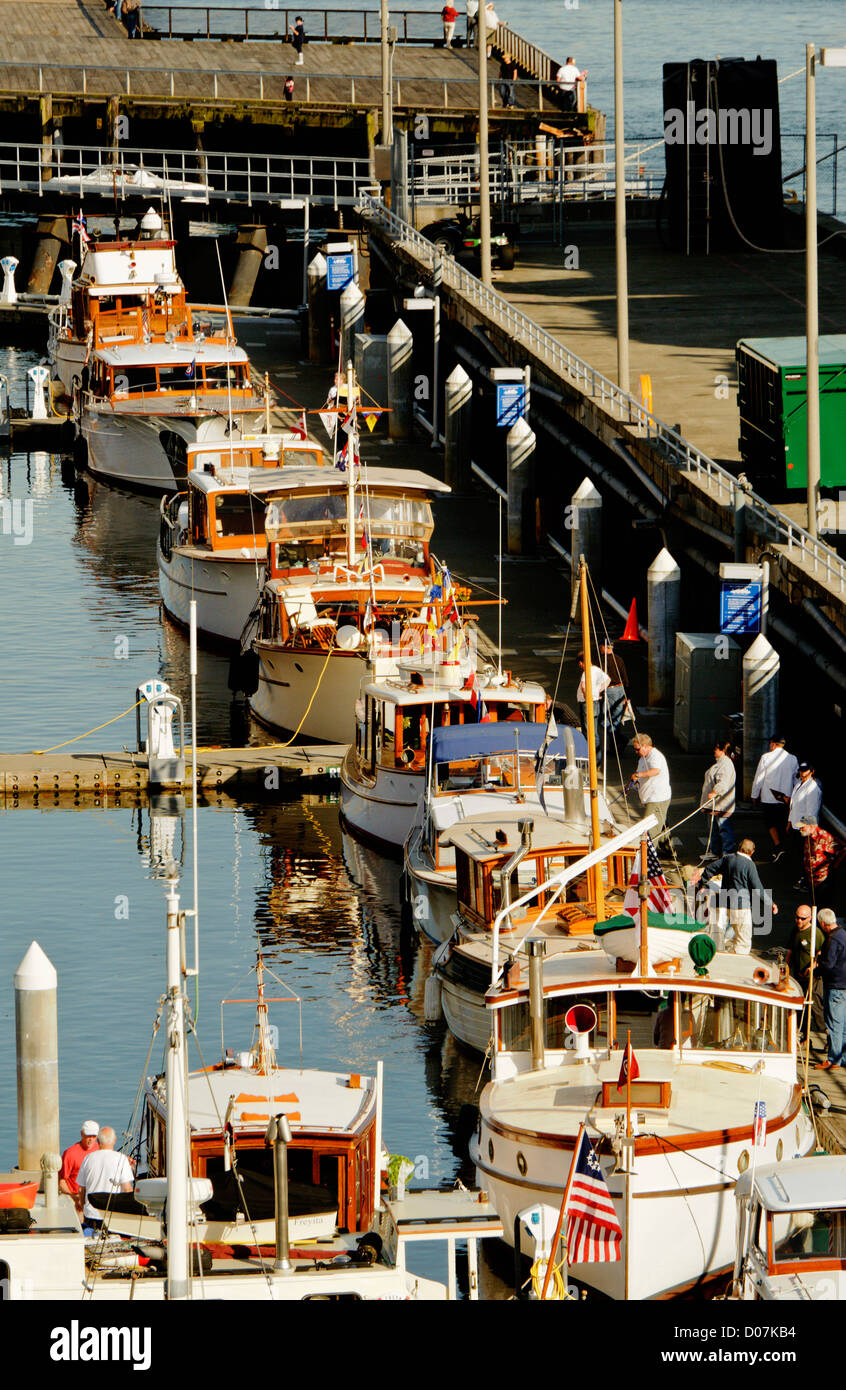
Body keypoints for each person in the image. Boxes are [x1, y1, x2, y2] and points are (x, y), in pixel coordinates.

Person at [690, 838, 777, 956]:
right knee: (743, 939)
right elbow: (758, 889)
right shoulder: (749, 865)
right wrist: (770, 903)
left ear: (739, 847)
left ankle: (716, 954)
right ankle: (738, 959)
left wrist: (702, 883)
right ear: (752, 852)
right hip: (741, 906)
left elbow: (710, 869)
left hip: (724, 902)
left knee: (719, 932)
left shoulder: (728, 858)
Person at [76, 1126, 134, 1235]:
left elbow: (81, 1189)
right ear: (115, 1140)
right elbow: (127, 1189)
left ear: (98, 1141)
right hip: (113, 1215)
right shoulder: (121, 1159)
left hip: (91, 1215)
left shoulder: (88, 1158)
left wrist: (83, 1209)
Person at [750, 734, 798, 861]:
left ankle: (778, 846)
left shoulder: (766, 757)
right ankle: (782, 847)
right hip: (785, 797)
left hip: (768, 797)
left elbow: (759, 778)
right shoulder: (792, 759)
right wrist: (795, 796)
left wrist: (754, 795)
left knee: (770, 823)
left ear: (773, 744)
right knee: (782, 822)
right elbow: (796, 779)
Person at [815, 909, 846, 1072]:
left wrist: (816, 968)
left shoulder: (833, 939)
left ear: (822, 923)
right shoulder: (843, 935)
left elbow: (829, 965)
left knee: (834, 1023)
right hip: (845, 984)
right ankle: (843, 1057)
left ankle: (834, 1059)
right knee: (844, 1024)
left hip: (835, 985)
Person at [630, 733, 672, 845]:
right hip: (649, 797)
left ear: (645, 746)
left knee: (649, 828)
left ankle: (648, 856)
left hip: (657, 798)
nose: (636, 752)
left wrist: (639, 775)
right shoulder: (642, 758)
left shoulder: (655, 756)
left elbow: (655, 771)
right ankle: (668, 850)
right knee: (661, 825)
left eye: (637, 749)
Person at [796, 816, 846, 903]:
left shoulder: (823, 837)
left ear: (811, 826)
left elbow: (843, 849)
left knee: (822, 906)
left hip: (823, 880)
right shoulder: (808, 835)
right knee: (814, 904)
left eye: (802, 827)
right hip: (811, 880)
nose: (800, 829)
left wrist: (834, 866)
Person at [700, 740, 736, 855]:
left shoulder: (725, 764)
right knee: (714, 829)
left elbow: (723, 783)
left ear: (722, 751)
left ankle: (728, 853)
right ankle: (715, 851)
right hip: (716, 804)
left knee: (724, 829)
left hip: (721, 804)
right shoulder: (720, 763)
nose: (714, 751)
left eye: (716, 749)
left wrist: (715, 792)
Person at [576, 651, 610, 764]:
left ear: (581, 663)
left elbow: (583, 687)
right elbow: (607, 680)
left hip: (587, 703)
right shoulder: (596, 669)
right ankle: (597, 759)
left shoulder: (586, 672)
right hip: (595, 701)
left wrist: (588, 696)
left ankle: (593, 759)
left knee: (588, 731)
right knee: (594, 731)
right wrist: (597, 691)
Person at [59, 1121, 99, 1206]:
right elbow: (61, 1181)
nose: (91, 1139)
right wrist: (73, 1197)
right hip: (77, 1197)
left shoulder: (99, 1149)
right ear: (82, 1134)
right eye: (88, 1136)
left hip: (95, 1197)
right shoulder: (70, 1153)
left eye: (93, 1136)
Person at [600, 639, 629, 735]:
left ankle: (616, 737)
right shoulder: (619, 659)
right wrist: (627, 696)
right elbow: (625, 677)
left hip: (608, 690)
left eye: (601, 647)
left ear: (604, 647)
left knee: (602, 718)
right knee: (616, 719)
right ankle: (617, 744)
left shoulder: (602, 660)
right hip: (620, 689)